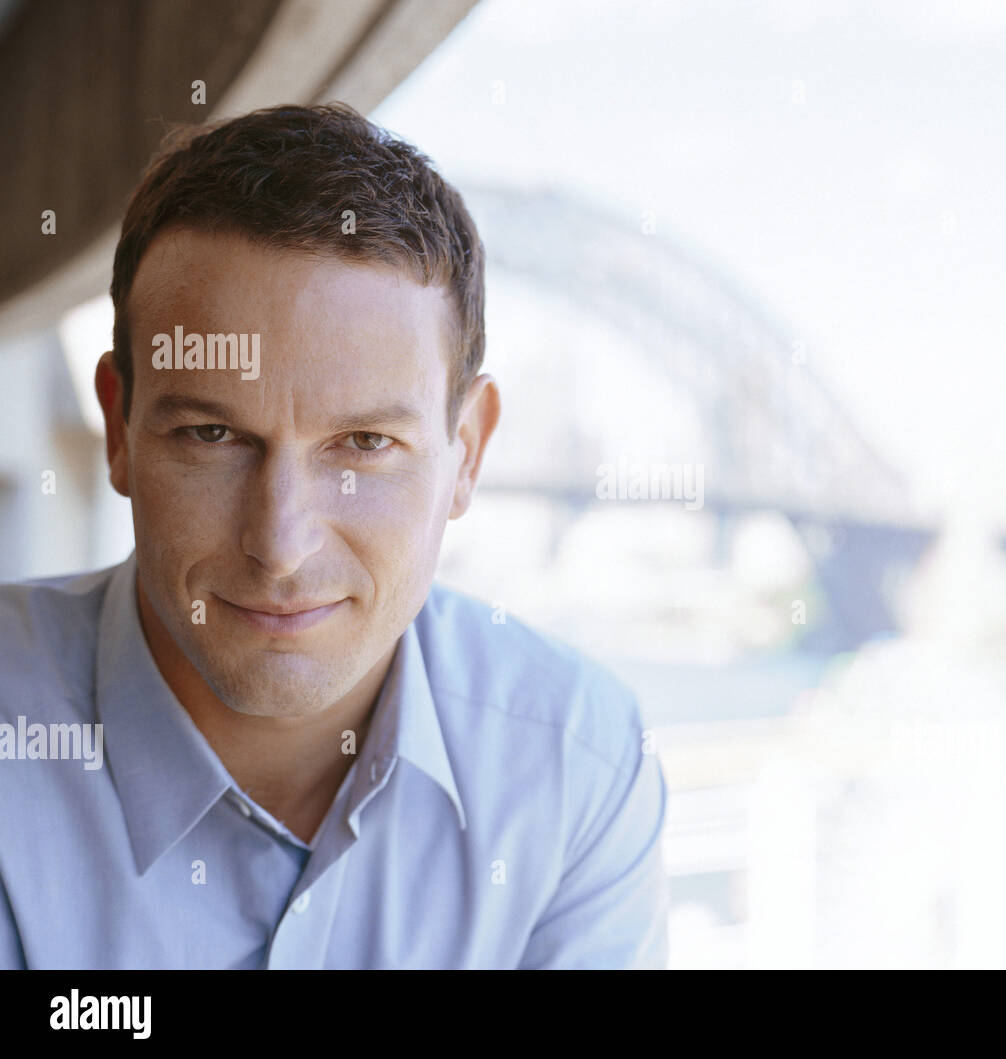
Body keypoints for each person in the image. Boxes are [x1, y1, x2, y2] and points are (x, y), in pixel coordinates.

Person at [0, 103, 668, 969]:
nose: (281, 546)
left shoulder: (575, 766)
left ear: (466, 453)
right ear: (120, 428)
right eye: (212, 434)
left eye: (364, 444)